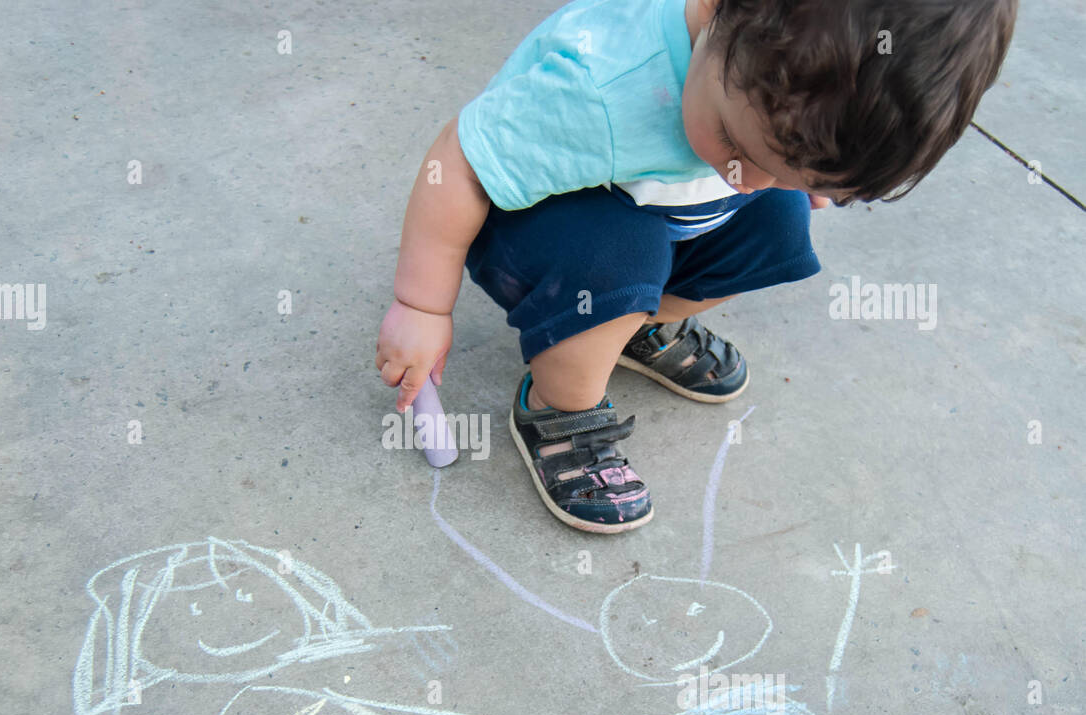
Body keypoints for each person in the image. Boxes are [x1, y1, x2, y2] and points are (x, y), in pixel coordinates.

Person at [375, 0, 1018, 532]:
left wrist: (808, 176)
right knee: (624, 258)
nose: (747, 178)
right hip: (534, 216)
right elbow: (457, 160)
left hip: (657, 205)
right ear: (713, 11)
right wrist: (421, 304)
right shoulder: (603, 86)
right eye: (737, 144)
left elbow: (767, 170)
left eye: (785, 164)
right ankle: (557, 408)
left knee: (779, 223)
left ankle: (632, 330)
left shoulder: (758, 86)